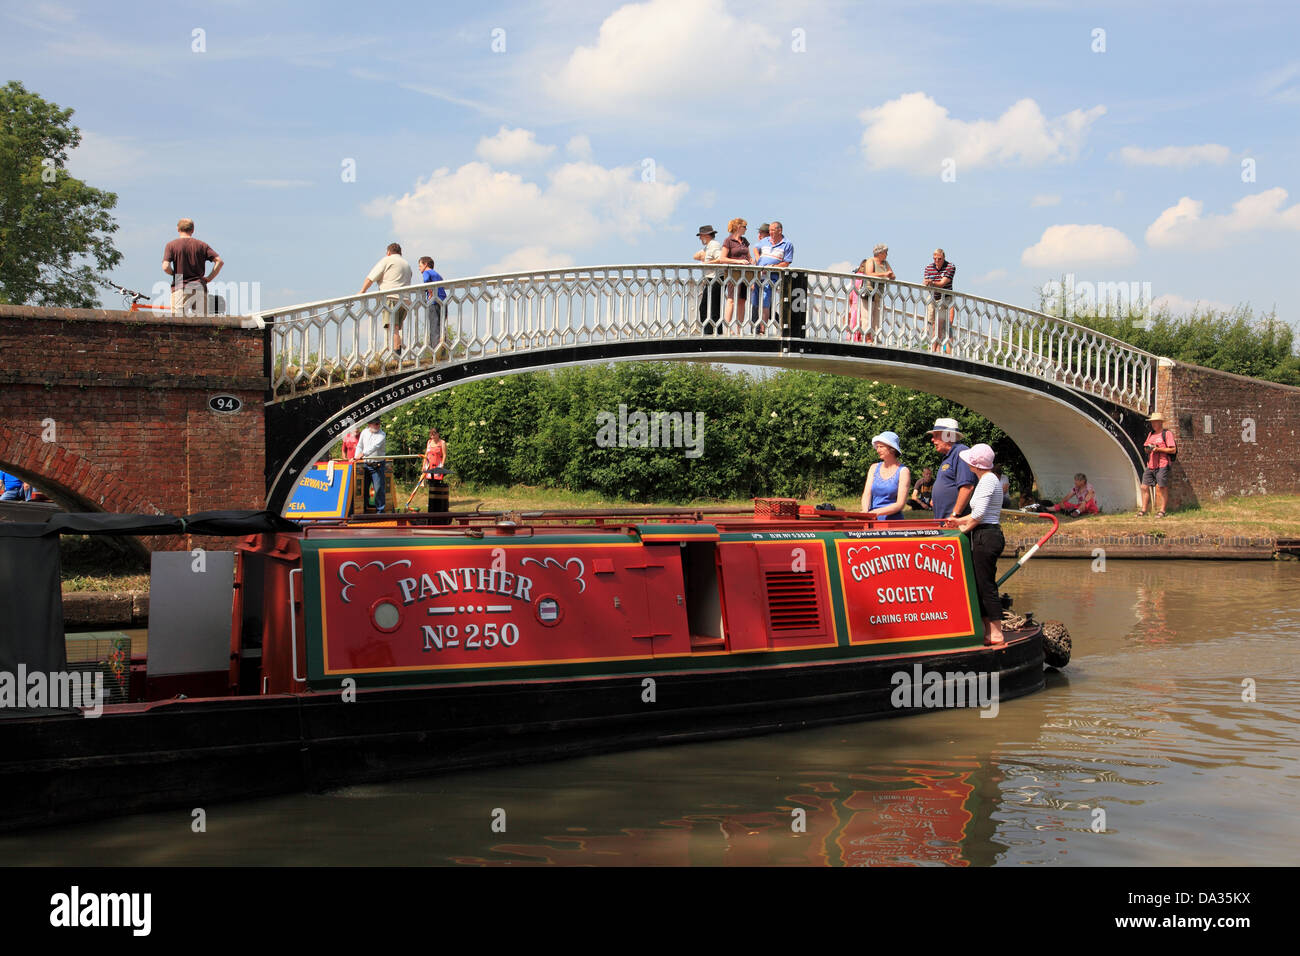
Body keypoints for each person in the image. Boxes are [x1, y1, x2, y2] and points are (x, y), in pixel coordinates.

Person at [945, 443, 1005, 646]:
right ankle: (987, 629)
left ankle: (996, 632)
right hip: (985, 533)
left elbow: (979, 515)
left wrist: (963, 529)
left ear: (975, 464)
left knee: (985, 584)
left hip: (986, 536)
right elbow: (980, 512)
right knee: (981, 582)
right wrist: (958, 521)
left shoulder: (987, 481)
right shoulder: (986, 480)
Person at [360, 243, 414, 357]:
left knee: (393, 328)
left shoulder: (387, 260)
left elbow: (371, 278)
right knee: (396, 328)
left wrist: (362, 291)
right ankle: (397, 354)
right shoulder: (406, 264)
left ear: (388, 252)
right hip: (405, 300)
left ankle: (396, 357)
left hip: (391, 298)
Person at [162, 218, 223, 316]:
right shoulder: (202, 245)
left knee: (178, 322)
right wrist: (209, 278)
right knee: (201, 322)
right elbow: (219, 261)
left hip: (180, 284)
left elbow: (165, 267)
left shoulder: (171, 245)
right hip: (199, 285)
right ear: (192, 230)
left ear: (178, 229)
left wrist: (175, 273)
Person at [927, 417, 976, 519]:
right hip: (945, 522)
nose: (932, 439)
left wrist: (954, 514)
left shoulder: (961, 452)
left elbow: (967, 487)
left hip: (956, 523)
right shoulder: (949, 456)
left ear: (948, 435)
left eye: (936, 435)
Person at [860, 431, 911, 520]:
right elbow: (866, 494)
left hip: (893, 522)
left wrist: (875, 513)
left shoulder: (903, 471)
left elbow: (900, 504)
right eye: (877, 447)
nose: (878, 450)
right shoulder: (873, 467)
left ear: (892, 449)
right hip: (872, 520)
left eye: (881, 447)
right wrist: (865, 511)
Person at [753, 220, 793, 332]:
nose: (770, 232)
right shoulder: (765, 241)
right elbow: (755, 248)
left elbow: (786, 262)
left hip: (771, 277)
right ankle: (756, 326)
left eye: (772, 230)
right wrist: (758, 260)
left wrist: (773, 266)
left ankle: (762, 328)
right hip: (759, 274)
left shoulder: (787, 244)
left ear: (779, 231)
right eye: (769, 230)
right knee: (755, 301)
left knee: (765, 300)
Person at [1139, 413, 1177, 517]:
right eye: (1152, 422)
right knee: (1144, 486)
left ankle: (1162, 511)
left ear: (1160, 422)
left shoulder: (1167, 433)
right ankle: (1144, 510)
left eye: (1155, 422)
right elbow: (1146, 447)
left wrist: (1159, 449)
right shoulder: (1151, 434)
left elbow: (1173, 450)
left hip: (1162, 464)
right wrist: (1148, 449)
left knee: (1162, 487)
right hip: (1151, 464)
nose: (1153, 424)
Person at [719, 218, 752, 331]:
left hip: (745, 273)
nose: (746, 229)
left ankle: (739, 328)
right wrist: (738, 261)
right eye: (744, 227)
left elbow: (749, 256)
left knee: (742, 300)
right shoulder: (728, 241)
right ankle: (728, 327)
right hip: (733, 273)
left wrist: (753, 262)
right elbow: (722, 258)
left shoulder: (744, 241)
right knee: (732, 299)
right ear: (738, 227)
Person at [692, 225, 724, 333]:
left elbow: (720, 259)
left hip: (716, 278)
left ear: (705, 235)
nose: (700, 239)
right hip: (712, 279)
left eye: (701, 236)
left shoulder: (714, 245)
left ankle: (710, 332)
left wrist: (706, 263)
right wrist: (704, 255)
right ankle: (714, 331)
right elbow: (695, 256)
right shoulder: (709, 246)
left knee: (708, 307)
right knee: (712, 307)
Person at [923, 248, 956, 352]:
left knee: (940, 323)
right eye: (935, 259)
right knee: (932, 323)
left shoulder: (950, 267)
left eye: (939, 259)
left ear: (944, 258)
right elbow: (925, 282)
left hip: (945, 298)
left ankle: (934, 349)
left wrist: (931, 282)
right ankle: (935, 347)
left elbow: (942, 284)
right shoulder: (929, 267)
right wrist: (928, 283)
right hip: (933, 297)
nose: (937, 261)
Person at [861, 243, 895, 344]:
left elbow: (892, 274)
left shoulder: (885, 263)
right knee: (867, 315)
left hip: (879, 293)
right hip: (869, 291)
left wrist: (891, 276)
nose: (886, 254)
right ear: (879, 253)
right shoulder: (870, 261)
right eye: (885, 252)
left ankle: (875, 336)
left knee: (877, 317)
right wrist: (884, 274)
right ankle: (868, 337)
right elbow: (869, 274)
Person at [354, 419, 388, 513]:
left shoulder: (382, 435)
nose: (378, 426)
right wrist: (356, 457)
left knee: (378, 489)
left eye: (379, 424)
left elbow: (374, 447)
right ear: (369, 424)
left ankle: (380, 512)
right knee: (362, 489)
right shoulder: (364, 432)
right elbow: (360, 445)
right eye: (376, 424)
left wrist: (361, 454)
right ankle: (363, 510)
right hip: (365, 464)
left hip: (377, 465)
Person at [418, 256, 448, 355]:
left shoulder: (427, 272)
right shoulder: (437, 274)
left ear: (425, 264)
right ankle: (443, 352)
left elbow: (426, 280)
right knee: (441, 328)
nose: (419, 268)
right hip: (443, 301)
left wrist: (430, 291)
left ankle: (437, 353)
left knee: (435, 328)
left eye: (420, 265)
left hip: (434, 302)